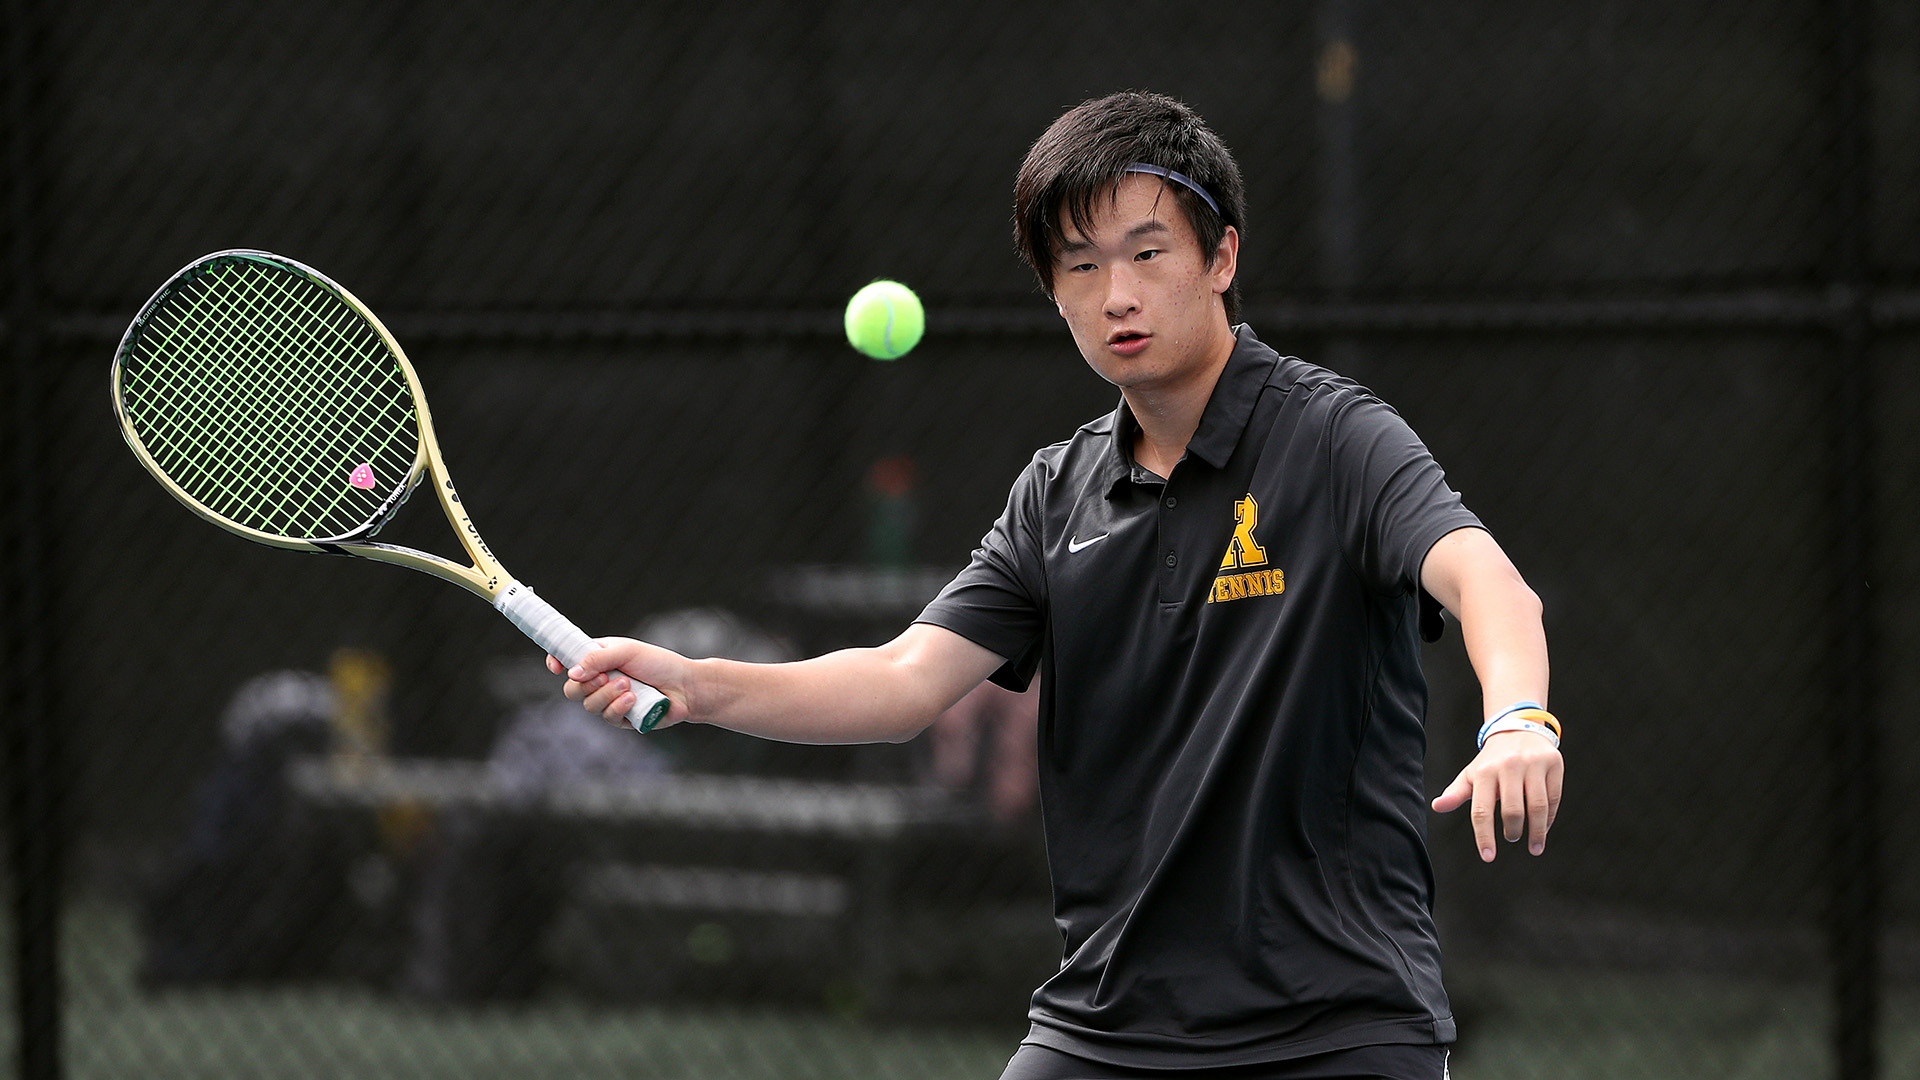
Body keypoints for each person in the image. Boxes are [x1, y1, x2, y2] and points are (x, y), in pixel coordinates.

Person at [553, 92, 1560, 1080]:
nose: (1115, 292)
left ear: (1221, 260)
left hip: (1335, 1025)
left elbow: (1487, 581)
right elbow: (904, 680)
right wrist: (696, 684)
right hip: (1107, 1024)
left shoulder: (1336, 438)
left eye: (1146, 252)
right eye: (1079, 265)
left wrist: (1518, 718)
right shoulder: (1055, 494)